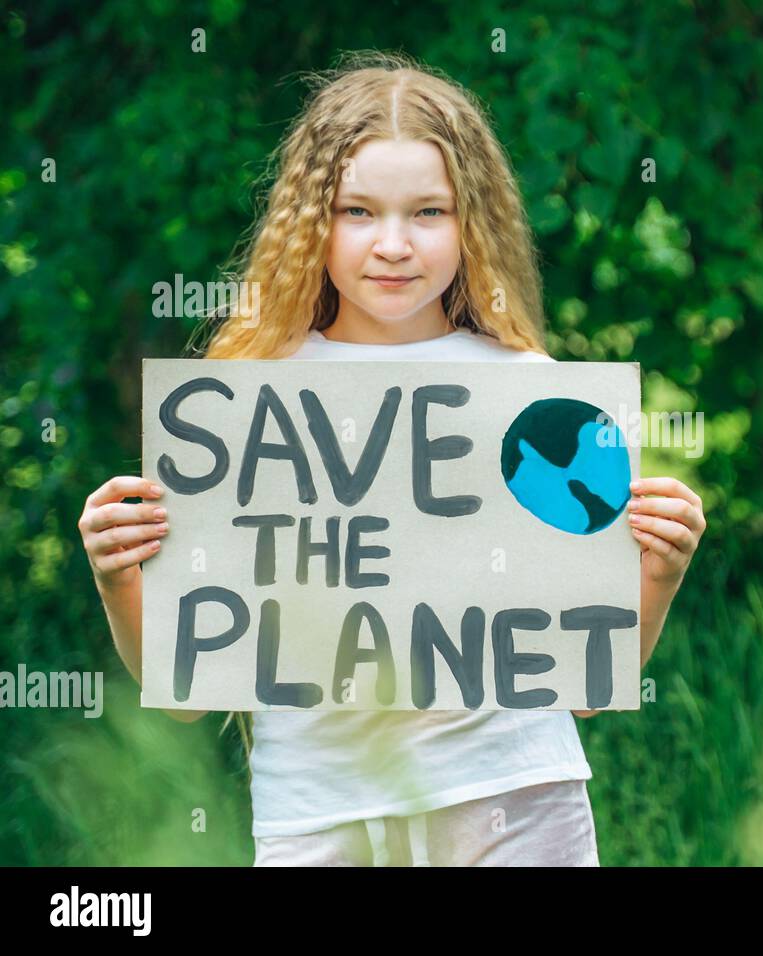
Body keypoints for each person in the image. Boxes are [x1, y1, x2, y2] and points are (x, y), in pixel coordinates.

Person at [76, 50, 706, 866]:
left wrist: (658, 573)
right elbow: (190, 698)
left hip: (516, 807)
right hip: (320, 820)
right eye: (359, 211)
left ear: (471, 220)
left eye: (430, 213)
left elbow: (583, 693)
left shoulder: (535, 398)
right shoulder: (242, 406)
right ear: (313, 220)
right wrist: (117, 576)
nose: (395, 244)